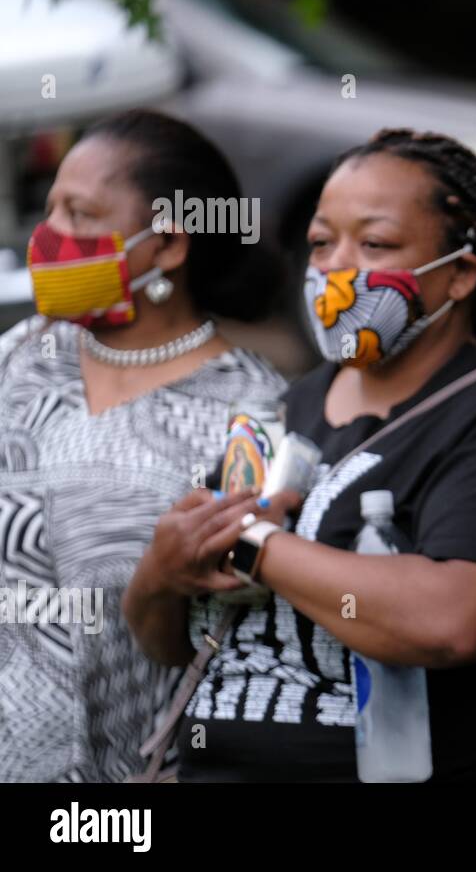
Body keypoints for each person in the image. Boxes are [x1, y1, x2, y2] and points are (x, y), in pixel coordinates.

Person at [125, 129, 476, 782]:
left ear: (459, 273)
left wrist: (255, 544)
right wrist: (161, 569)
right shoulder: (290, 406)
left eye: (375, 244)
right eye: (322, 242)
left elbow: (451, 622)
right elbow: (170, 640)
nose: (336, 268)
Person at [0, 110, 287, 781]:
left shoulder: (251, 415)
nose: (50, 238)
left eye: (81, 213)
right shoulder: (20, 358)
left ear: (167, 246)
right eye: (51, 210)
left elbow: (228, 622)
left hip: (133, 777)